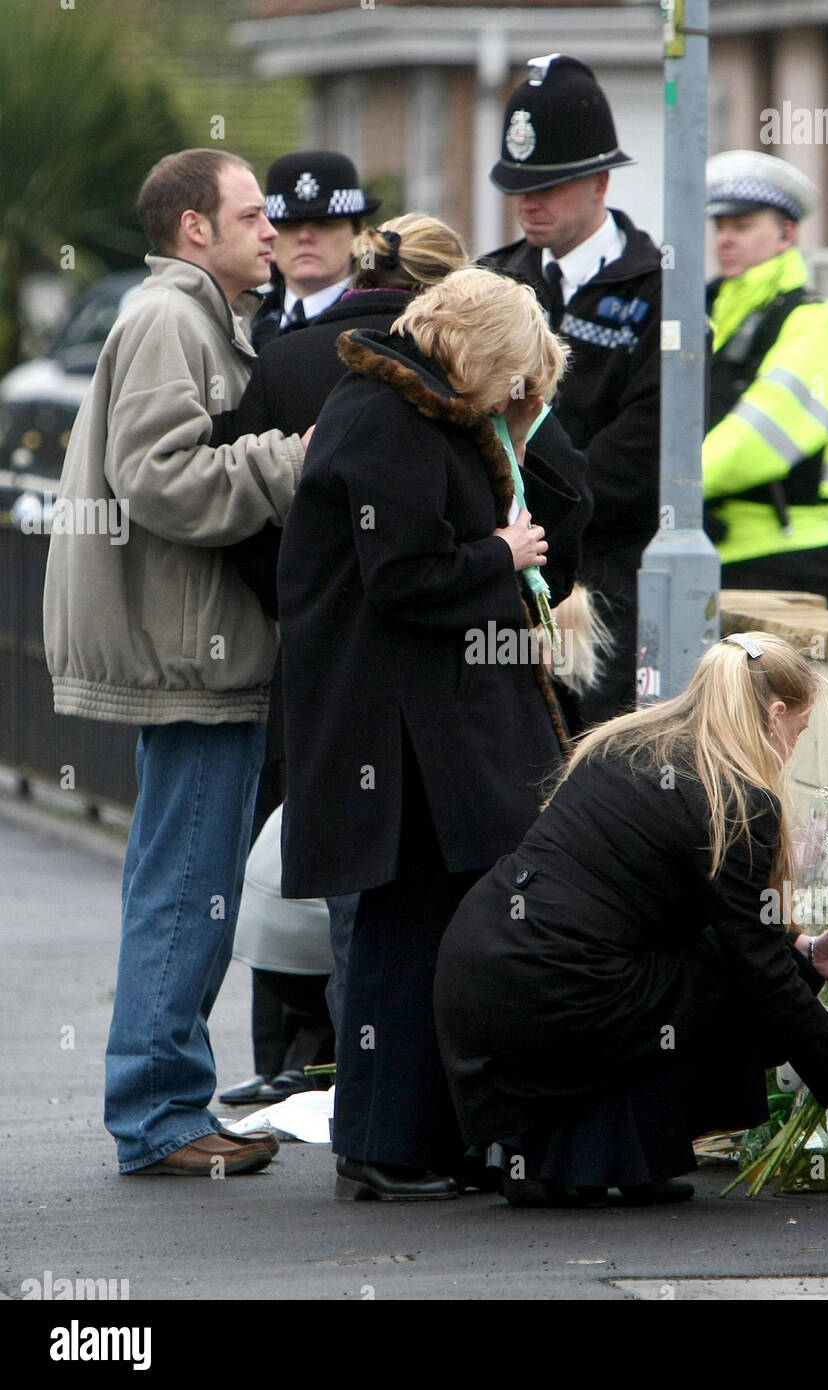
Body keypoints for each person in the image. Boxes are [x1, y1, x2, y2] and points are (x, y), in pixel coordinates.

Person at [277, 267, 593, 1200]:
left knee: (437, 928)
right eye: (514, 378)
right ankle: (383, 1146)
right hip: (395, 738)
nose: (515, 397)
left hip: (423, 726)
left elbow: (554, 510)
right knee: (403, 935)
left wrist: (522, 437)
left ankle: (431, 1138)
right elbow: (403, 578)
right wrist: (501, 553)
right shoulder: (387, 415)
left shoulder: (417, 408)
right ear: (479, 354)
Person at [434, 631, 828, 1206]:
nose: (794, 744)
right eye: (800, 729)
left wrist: (805, 949)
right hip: (560, 989)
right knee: (742, 981)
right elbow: (756, 966)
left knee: (719, 966)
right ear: (776, 713)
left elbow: (700, 915)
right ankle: (608, 1157)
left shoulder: (626, 744)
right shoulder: (734, 798)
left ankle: (590, 1159)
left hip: (486, 965)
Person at [43, 149, 309, 1176]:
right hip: (192, 661)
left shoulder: (196, 316)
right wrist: (296, 456)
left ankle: (168, 1104)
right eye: (251, 214)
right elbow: (161, 479)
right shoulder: (171, 318)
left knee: (188, 883)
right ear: (194, 228)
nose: (273, 230)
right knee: (186, 887)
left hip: (197, 652)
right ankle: (159, 1116)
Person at [219, 215, 471, 1108]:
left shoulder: (290, 359)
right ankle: (376, 1110)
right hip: (406, 688)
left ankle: (309, 1070)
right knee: (391, 908)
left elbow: (252, 536)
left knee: (343, 894)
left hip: (317, 669)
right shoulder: (416, 388)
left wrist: (301, 613)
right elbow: (411, 568)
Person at [483, 54, 661, 728]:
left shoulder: (660, 294)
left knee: (599, 762)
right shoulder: (490, 284)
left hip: (611, 583)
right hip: (504, 575)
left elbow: (650, 448)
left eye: (550, 185)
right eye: (519, 185)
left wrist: (545, 505)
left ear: (600, 182)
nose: (529, 203)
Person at [704, 150, 828, 611]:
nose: (725, 239)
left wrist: (665, 490)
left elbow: (760, 435)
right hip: (706, 547)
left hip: (783, 559)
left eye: (742, 226)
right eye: (720, 226)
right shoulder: (705, 310)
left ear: (787, 234)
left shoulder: (817, 322)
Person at [251, 149, 380, 350]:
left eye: (323, 224)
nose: (305, 236)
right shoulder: (244, 325)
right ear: (269, 240)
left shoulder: (381, 326)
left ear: (357, 236)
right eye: (290, 225)